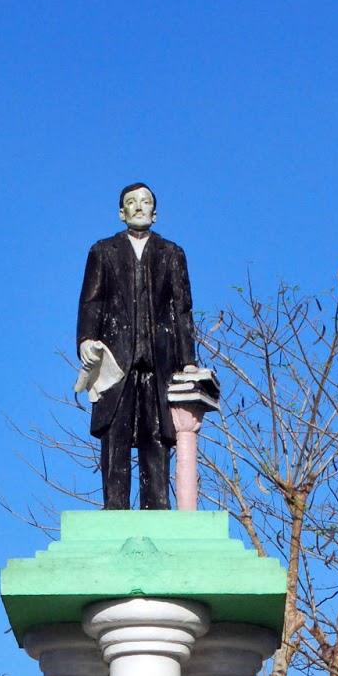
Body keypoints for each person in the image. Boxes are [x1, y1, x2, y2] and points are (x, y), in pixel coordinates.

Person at [76, 183, 197, 510]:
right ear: (121, 212)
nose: (139, 207)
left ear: (155, 213)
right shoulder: (102, 251)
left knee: (156, 434)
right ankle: (114, 506)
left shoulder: (172, 254)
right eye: (132, 202)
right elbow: (92, 302)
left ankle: (156, 506)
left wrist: (188, 360)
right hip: (116, 359)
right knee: (115, 435)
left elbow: (181, 309)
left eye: (146, 202)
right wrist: (86, 338)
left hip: (159, 361)